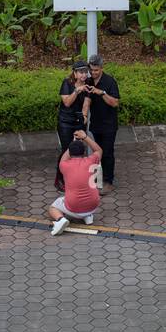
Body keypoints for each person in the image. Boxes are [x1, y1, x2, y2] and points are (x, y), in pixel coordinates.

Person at [49, 130, 103, 236]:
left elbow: (65, 156)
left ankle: (60, 220)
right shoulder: (91, 160)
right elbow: (98, 150)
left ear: (70, 151)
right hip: (93, 204)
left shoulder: (64, 165)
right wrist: (85, 137)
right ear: (83, 152)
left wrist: (73, 143)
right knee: (88, 193)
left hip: (74, 207)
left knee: (53, 208)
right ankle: (87, 217)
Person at [84, 55, 120, 192]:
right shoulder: (89, 81)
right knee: (97, 152)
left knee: (107, 153)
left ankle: (108, 181)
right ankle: (98, 178)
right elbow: (87, 100)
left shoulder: (110, 81)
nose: (93, 73)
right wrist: (85, 115)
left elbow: (115, 103)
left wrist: (102, 93)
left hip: (109, 125)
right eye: (91, 70)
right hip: (96, 124)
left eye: (96, 70)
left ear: (102, 68)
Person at [55, 62, 93, 191]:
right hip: (65, 121)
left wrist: (84, 118)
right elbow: (66, 102)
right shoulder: (67, 83)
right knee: (67, 150)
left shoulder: (88, 83)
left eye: (85, 72)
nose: (83, 74)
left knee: (78, 149)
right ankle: (60, 179)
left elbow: (86, 104)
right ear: (75, 73)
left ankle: (75, 178)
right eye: (80, 72)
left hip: (78, 121)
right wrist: (77, 91)